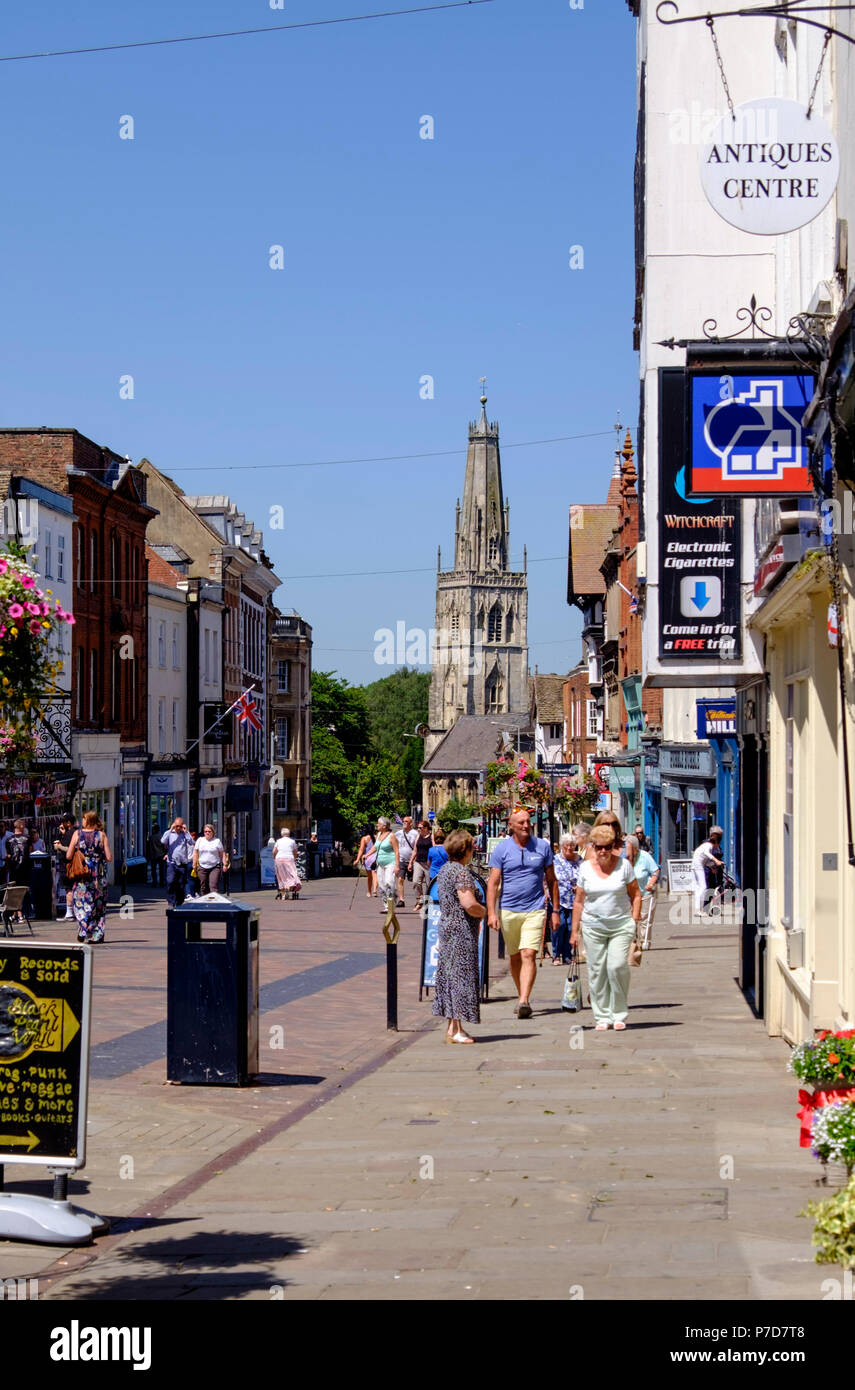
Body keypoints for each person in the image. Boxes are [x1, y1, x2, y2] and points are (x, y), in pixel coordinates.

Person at [486, 808, 559, 1019]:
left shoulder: (542, 847)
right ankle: (521, 995)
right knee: (515, 956)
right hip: (508, 909)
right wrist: (492, 913)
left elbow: (552, 881)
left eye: (528, 822)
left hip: (535, 908)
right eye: (521, 823)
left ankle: (524, 1000)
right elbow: (493, 882)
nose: (526, 826)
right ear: (511, 825)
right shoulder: (502, 850)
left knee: (529, 953)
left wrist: (555, 910)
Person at [570, 824, 641, 1030]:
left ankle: (619, 1013)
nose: (603, 851)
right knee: (597, 970)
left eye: (607, 847)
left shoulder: (624, 866)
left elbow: (636, 894)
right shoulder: (585, 868)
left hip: (620, 924)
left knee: (616, 967)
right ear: (593, 846)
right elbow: (579, 901)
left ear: (613, 847)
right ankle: (602, 1016)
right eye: (599, 847)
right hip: (593, 925)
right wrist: (574, 931)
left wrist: (634, 919)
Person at [433, 828, 487, 1044]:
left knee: (448, 977)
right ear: (465, 849)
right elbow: (469, 904)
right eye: (472, 847)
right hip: (460, 931)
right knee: (460, 978)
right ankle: (457, 1030)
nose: (473, 851)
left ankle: (451, 1027)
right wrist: (487, 912)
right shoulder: (461, 873)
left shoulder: (445, 870)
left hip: (446, 928)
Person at [66, 811, 113, 943]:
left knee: (80, 903)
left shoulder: (77, 834)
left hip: (83, 876)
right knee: (99, 907)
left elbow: (68, 856)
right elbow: (109, 857)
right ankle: (97, 934)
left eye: (84, 819)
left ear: (89, 820)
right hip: (98, 877)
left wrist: (79, 851)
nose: (82, 821)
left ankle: (84, 929)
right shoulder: (102, 835)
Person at [624, 834, 660, 949]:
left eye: (629, 848)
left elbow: (655, 871)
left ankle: (645, 941)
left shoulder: (644, 856)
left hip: (646, 893)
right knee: (630, 919)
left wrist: (651, 883)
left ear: (635, 848)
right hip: (630, 895)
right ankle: (634, 941)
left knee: (645, 919)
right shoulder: (624, 859)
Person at [551, 834, 581, 965]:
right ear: (562, 846)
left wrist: (579, 887)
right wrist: (546, 892)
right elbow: (549, 878)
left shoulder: (580, 860)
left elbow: (585, 876)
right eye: (567, 845)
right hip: (559, 898)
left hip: (575, 899)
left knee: (570, 927)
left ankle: (567, 955)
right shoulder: (555, 860)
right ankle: (556, 954)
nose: (569, 848)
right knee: (559, 925)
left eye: (572, 845)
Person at [161, 817, 195, 909]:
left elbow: (192, 842)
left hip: (182, 863)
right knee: (170, 881)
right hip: (171, 862)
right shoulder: (169, 833)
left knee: (180, 884)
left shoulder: (185, 834)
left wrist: (186, 832)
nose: (178, 828)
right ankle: (171, 902)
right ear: (174, 825)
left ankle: (179, 902)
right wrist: (170, 829)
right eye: (176, 826)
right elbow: (163, 841)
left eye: (180, 826)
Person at [692, 827, 723, 916]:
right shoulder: (708, 845)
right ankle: (698, 910)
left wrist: (712, 867)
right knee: (703, 887)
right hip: (698, 866)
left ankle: (698, 909)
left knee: (700, 887)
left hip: (698, 865)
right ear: (716, 842)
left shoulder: (706, 845)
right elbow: (707, 854)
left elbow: (705, 859)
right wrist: (716, 861)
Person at [5, 820, 31, 923]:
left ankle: (15, 914)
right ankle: (19, 914)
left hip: (13, 868)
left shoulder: (9, 840)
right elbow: (30, 851)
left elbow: (8, 855)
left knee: (14, 891)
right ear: (21, 826)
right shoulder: (27, 839)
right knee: (22, 892)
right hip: (24, 868)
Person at [373, 817, 400, 910]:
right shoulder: (378, 834)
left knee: (389, 882)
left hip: (390, 863)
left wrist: (397, 865)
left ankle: (391, 904)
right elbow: (376, 847)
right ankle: (386, 905)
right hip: (380, 864)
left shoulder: (392, 836)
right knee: (381, 885)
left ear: (384, 826)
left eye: (378, 824)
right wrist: (366, 855)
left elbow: (396, 851)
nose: (377, 825)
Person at [192, 824, 227, 895]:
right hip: (202, 866)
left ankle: (214, 904)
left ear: (213, 832)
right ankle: (204, 903)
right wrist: (194, 863)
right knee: (203, 887)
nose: (207, 833)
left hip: (214, 866)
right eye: (205, 831)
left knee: (213, 886)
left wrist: (225, 864)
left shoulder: (217, 841)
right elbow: (195, 852)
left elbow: (222, 853)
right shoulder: (200, 840)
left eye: (209, 831)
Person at [53, 815, 76, 920]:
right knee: (71, 888)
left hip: (68, 866)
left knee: (69, 889)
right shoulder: (71, 833)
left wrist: (59, 847)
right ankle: (72, 911)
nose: (61, 825)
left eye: (63, 822)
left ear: (68, 823)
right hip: (69, 865)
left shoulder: (70, 834)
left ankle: (70, 913)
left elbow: (69, 849)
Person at [395, 816, 418, 908]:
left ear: (411, 823)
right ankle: (401, 900)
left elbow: (417, 847)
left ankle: (418, 899)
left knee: (415, 881)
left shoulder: (415, 833)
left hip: (412, 861)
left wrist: (414, 860)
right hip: (401, 860)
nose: (404, 823)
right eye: (403, 821)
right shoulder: (398, 833)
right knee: (400, 879)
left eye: (406, 821)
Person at [273, 826, 301, 900]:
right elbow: (295, 852)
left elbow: (274, 851)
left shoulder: (278, 841)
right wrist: (294, 858)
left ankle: (283, 893)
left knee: (280, 876)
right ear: (288, 834)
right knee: (292, 874)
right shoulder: (292, 841)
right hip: (289, 859)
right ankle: (289, 887)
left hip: (279, 859)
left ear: (282, 834)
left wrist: (275, 858)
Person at [411, 820, 433, 911]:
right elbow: (415, 850)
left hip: (428, 864)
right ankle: (419, 901)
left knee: (429, 884)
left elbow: (434, 848)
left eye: (420, 828)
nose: (418, 829)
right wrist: (410, 862)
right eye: (418, 828)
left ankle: (428, 903)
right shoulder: (418, 837)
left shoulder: (432, 837)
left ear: (426, 828)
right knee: (416, 882)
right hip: (418, 862)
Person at [354, 828, 377, 898]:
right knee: (375, 874)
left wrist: (357, 859)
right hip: (375, 857)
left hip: (367, 858)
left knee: (369, 877)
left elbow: (361, 849)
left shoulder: (364, 839)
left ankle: (369, 891)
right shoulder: (376, 837)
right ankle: (375, 890)